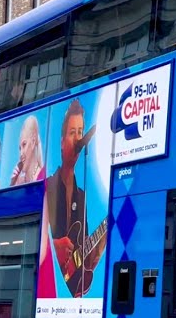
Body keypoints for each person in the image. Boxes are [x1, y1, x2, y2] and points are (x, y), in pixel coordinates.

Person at [45, 99, 106, 297]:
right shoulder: (47, 187)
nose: (78, 140)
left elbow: (84, 257)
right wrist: (54, 246)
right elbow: (28, 242)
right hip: (49, 287)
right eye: (73, 133)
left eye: (81, 132)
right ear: (62, 143)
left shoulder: (82, 197)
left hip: (70, 294)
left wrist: (101, 241)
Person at [9, 114, 45, 186]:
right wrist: (13, 185)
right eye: (20, 148)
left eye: (24, 145)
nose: (21, 154)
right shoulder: (20, 182)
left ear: (33, 142)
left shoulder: (44, 177)